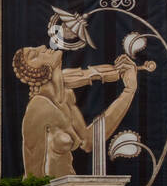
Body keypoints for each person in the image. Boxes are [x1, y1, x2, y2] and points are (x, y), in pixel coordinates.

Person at [10, 44, 151, 177]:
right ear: (36, 72)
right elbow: (32, 175)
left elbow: (90, 140)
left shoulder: (66, 97)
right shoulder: (38, 106)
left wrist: (128, 91)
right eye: (34, 54)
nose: (42, 47)